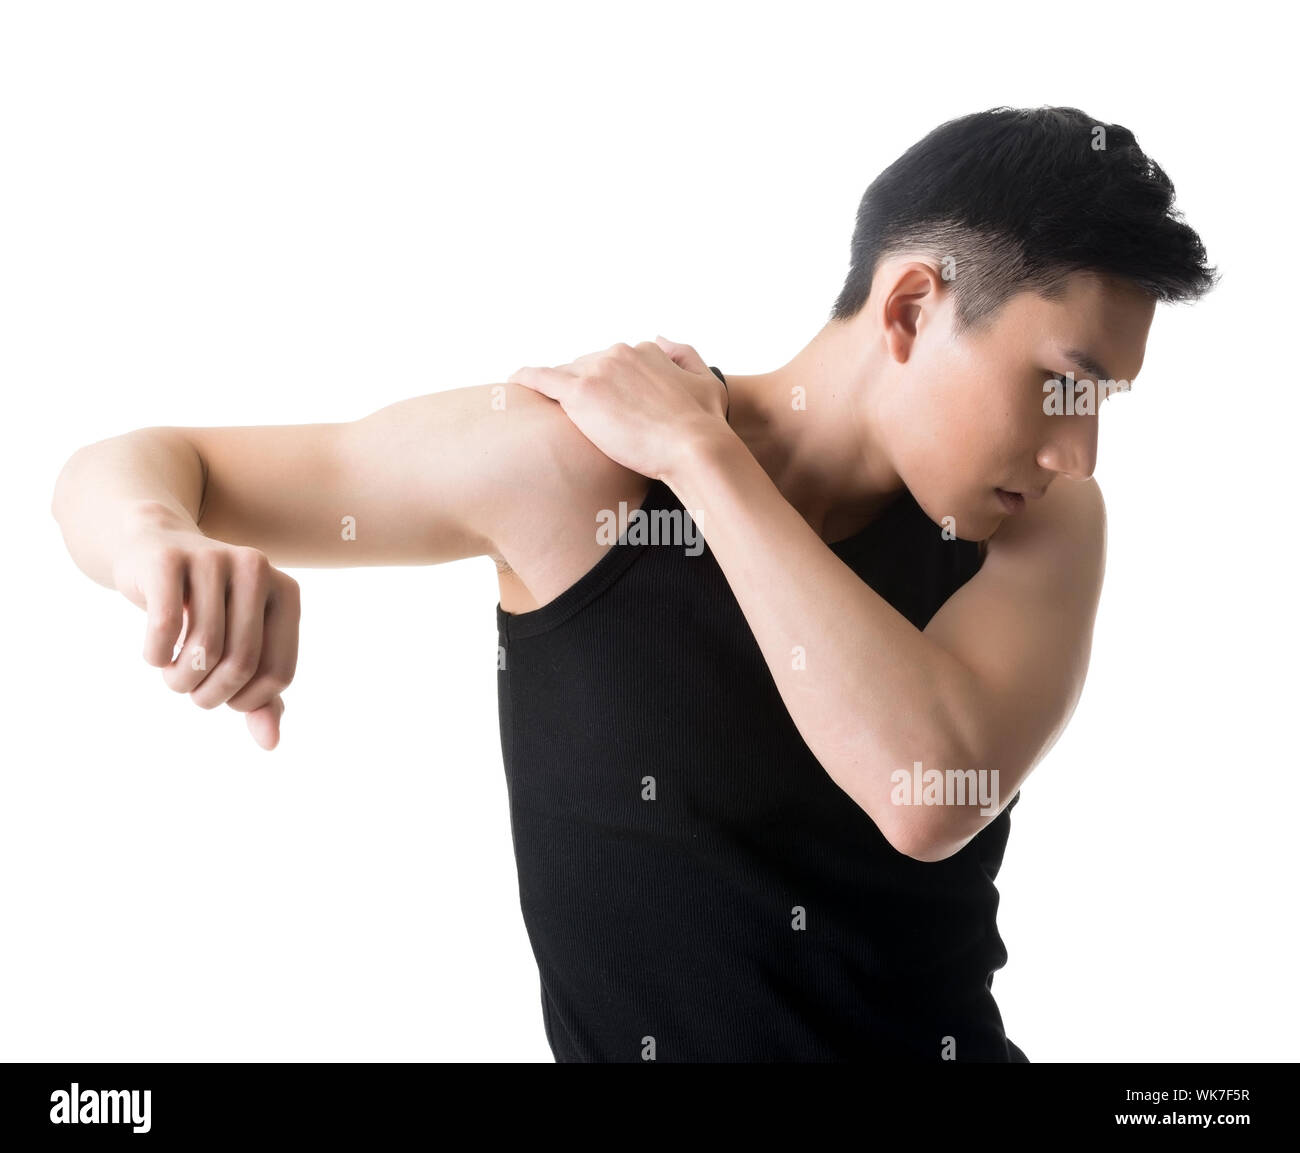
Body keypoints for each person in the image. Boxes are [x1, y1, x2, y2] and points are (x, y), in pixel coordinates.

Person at [51, 105, 1217, 1061]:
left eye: (1103, 406)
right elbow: (143, 463)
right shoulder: (573, 464)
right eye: (1065, 386)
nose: (1079, 451)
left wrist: (704, 462)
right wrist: (156, 540)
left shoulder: (1044, 527)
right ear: (911, 308)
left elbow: (924, 791)